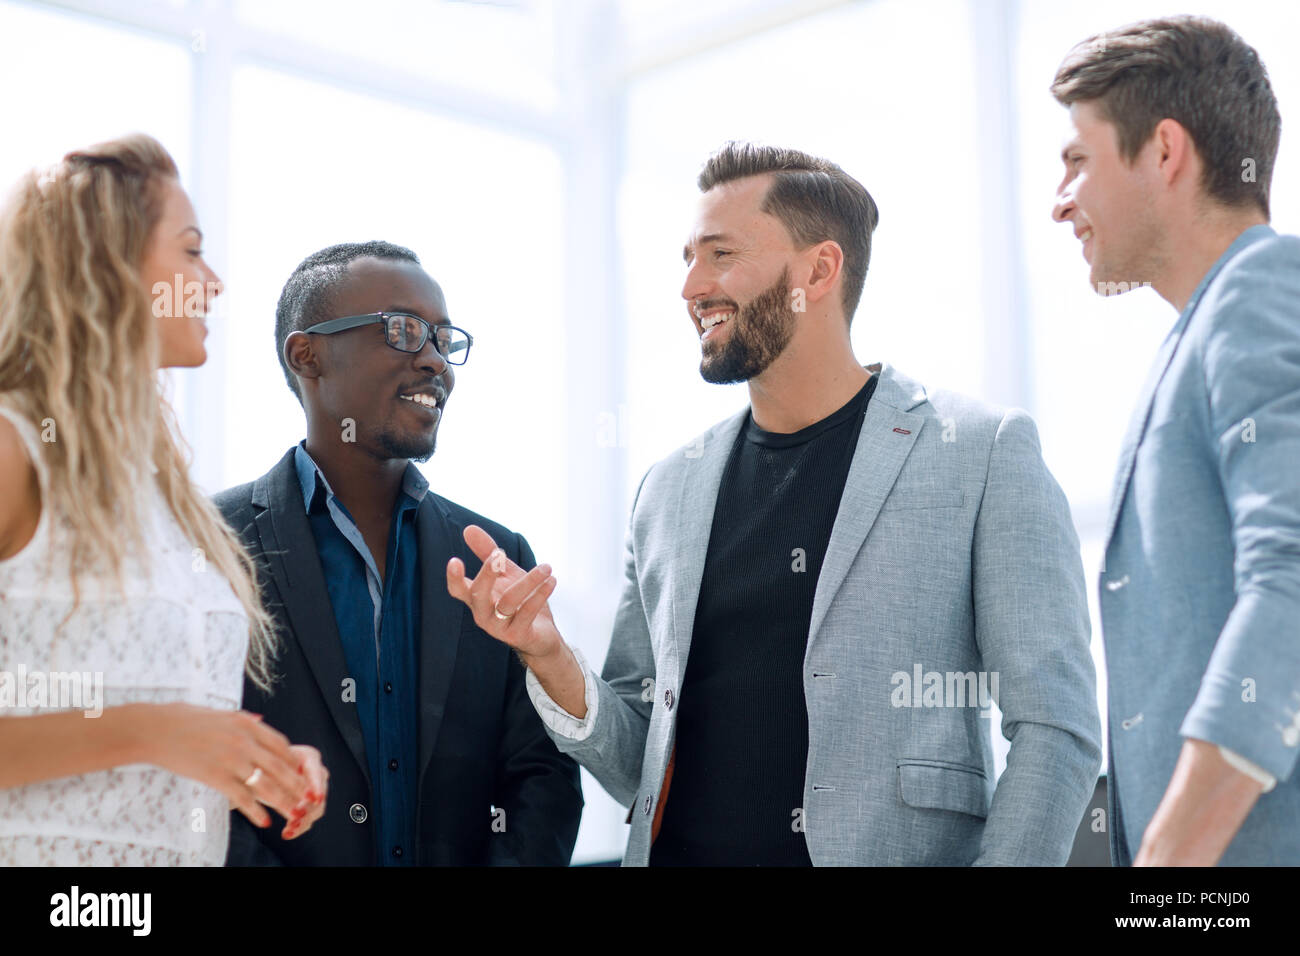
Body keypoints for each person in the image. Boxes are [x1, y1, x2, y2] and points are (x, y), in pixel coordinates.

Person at [449, 142, 1101, 866]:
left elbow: (1055, 728)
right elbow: (641, 767)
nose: (691, 285)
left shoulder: (980, 452)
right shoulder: (667, 492)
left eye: (721, 255)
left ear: (818, 270)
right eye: (687, 257)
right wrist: (550, 657)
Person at [0, 134, 327, 866]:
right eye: (189, 251)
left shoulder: (163, 495)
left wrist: (244, 755)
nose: (211, 282)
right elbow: (150, 726)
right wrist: (154, 731)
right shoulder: (12, 447)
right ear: (107, 264)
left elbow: (166, 723)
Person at [217, 241, 582, 866]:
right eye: (405, 331)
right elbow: (194, 783)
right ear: (308, 355)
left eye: (443, 339)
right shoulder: (212, 544)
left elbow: (542, 778)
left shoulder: (493, 557)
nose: (436, 361)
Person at [1051, 15, 1300, 866]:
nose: (1060, 202)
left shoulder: (1262, 285)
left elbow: (1293, 578)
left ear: (1164, 152)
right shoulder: (1198, 335)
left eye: (1077, 161)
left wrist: (1168, 868)